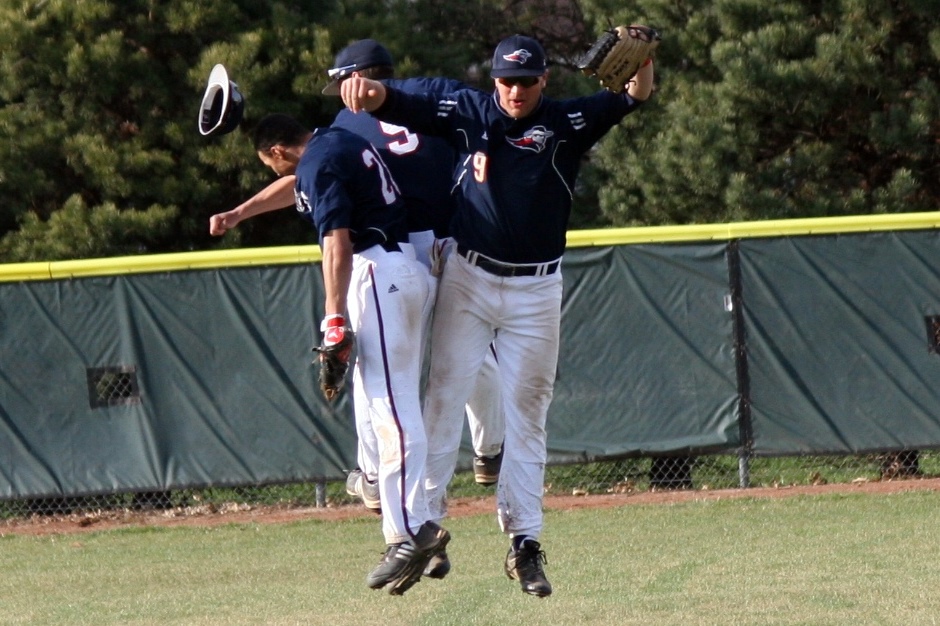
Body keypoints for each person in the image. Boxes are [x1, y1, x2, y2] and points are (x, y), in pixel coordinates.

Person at [340, 33, 655, 597]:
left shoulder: (565, 121)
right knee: (441, 401)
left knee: (528, 416)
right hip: (469, 276)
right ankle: (418, 529)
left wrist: (646, 64)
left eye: (527, 81)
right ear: (494, 81)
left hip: (537, 292)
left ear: (544, 81)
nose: (515, 90)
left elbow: (633, 96)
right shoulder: (470, 112)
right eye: (506, 81)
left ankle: (525, 544)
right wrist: (370, 92)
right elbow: (404, 102)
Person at [209, 113, 448, 596]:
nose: (278, 176)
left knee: (392, 411)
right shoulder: (332, 143)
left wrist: (333, 315)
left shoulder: (317, 162)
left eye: (272, 166)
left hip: (378, 273)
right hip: (399, 271)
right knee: (381, 406)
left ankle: (410, 533)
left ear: (278, 151)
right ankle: (415, 526)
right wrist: (239, 213)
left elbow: (336, 242)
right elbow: (298, 182)